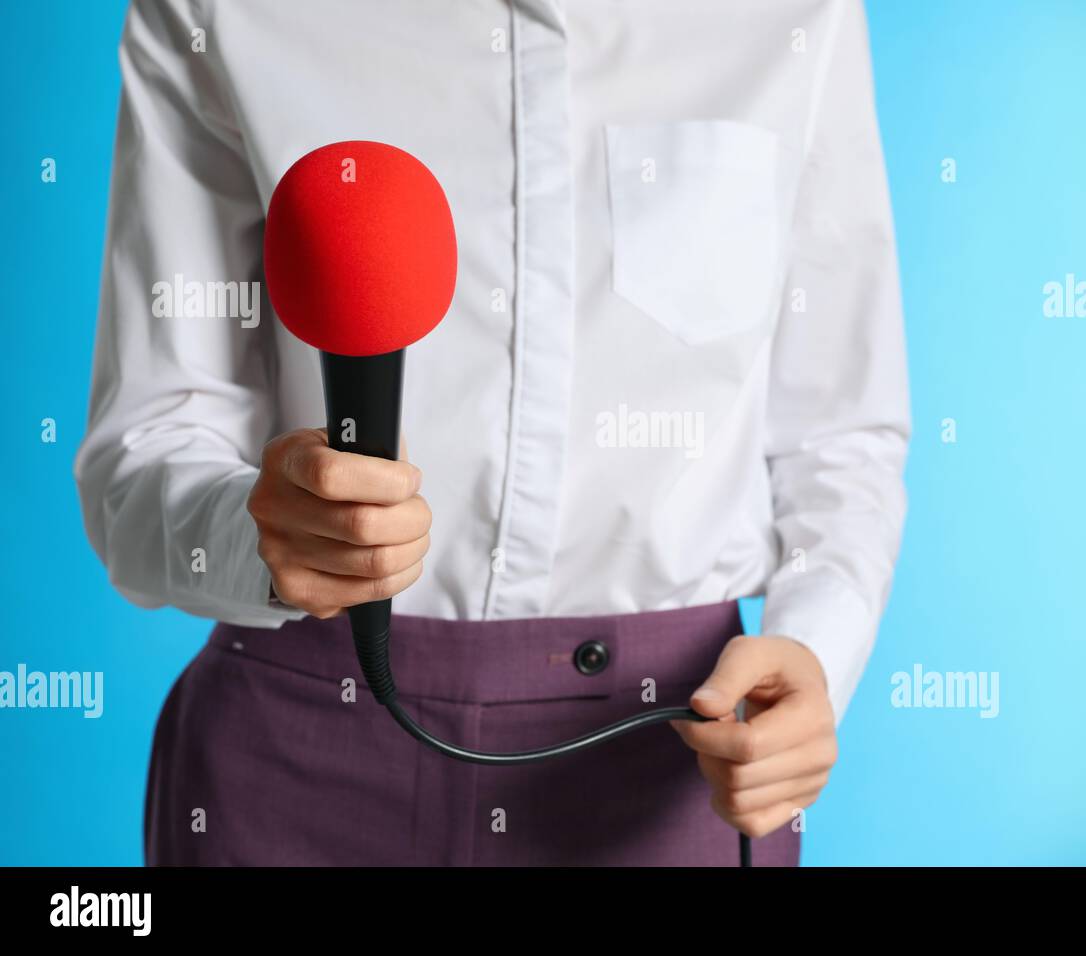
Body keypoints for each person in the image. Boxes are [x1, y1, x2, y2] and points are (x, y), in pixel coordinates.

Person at [75, 0, 910, 866]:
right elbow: (142, 452)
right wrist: (258, 535)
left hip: (672, 756)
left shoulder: (797, 16)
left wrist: (813, 657)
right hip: (295, 759)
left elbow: (840, 436)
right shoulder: (221, 12)